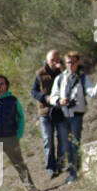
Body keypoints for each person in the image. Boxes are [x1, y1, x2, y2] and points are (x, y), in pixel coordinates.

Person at [48, 53, 97, 185]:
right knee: (65, 145)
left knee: (75, 143)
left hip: (76, 116)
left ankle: (74, 172)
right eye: (68, 62)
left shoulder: (83, 78)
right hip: (63, 116)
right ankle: (71, 171)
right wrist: (60, 100)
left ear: (78, 63)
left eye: (73, 62)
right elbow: (52, 97)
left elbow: (92, 93)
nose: (70, 65)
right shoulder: (60, 79)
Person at [30, 50, 66, 182]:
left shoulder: (63, 72)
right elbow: (33, 92)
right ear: (47, 60)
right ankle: (50, 168)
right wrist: (45, 97)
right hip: (45, 112)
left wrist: (63, 71)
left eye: (58, 59)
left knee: (62, 138)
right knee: (47, 141)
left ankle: (61, 165)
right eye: (53, 60)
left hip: (61, 110)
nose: (56, 62)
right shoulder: (39, 73)